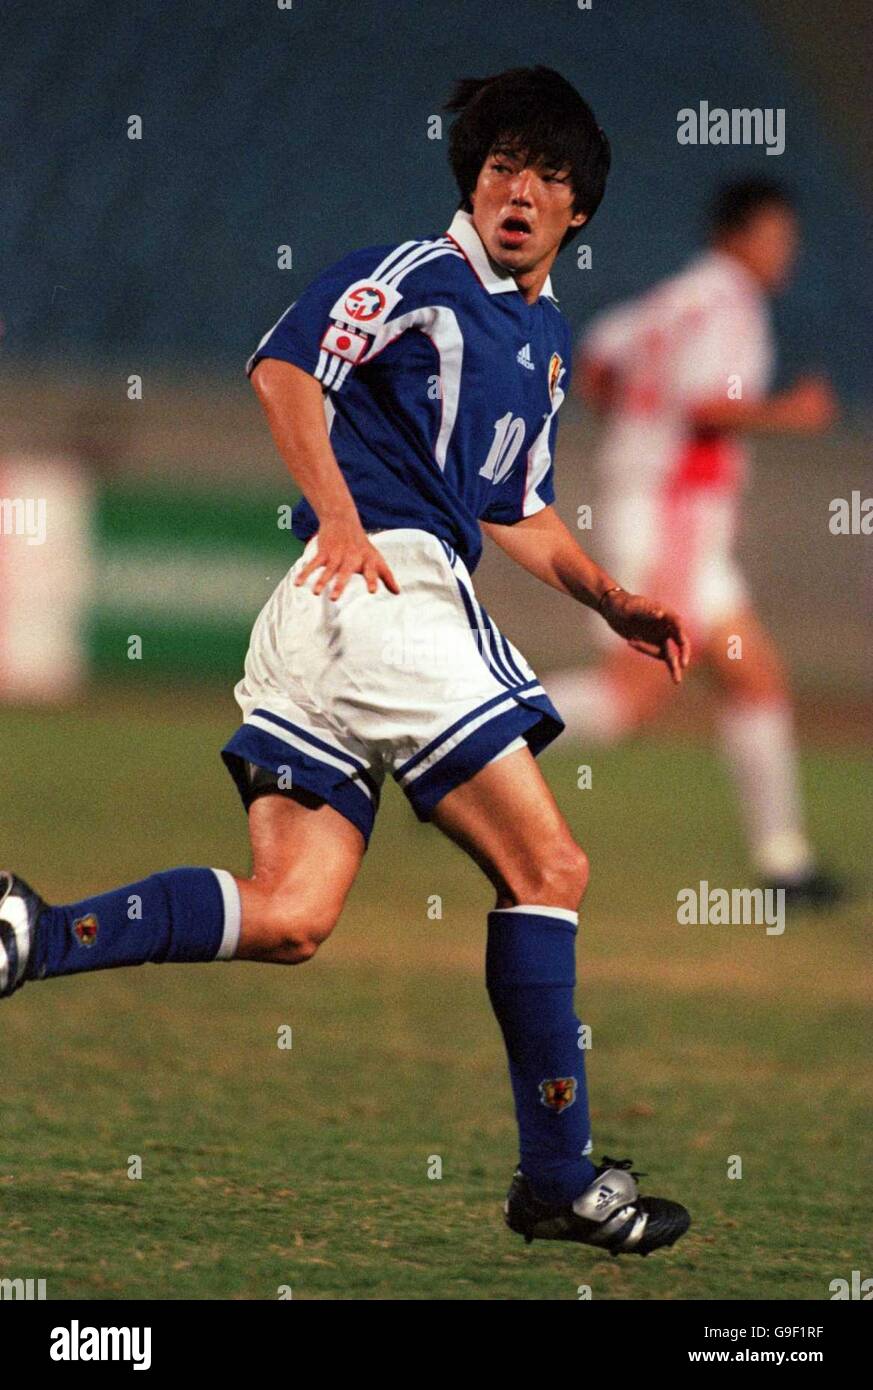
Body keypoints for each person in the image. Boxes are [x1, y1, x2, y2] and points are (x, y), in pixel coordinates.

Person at [1, 67, 691, 1255]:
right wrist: (333, 509)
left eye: (545, 173)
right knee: (552, 866)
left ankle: (29, 930)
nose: (516, 190)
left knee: (291, 915)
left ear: (581, 206)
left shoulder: (542, 340)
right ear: (470, 182)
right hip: (386, 592)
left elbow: (514, 506)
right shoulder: (420, 276)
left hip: (338, 613)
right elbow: (284, 368)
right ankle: (559, 1176)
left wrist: (611, 595)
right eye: (497, 167)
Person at [547, 179, 842, 905]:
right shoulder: (730, 303)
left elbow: (597, 358)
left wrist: (634, 430)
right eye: (776, 237)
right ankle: (459, 746)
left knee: (756, 680)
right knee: (630, 702)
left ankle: (783, 867)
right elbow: (704, 402)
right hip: (672, 519)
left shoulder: (670, 299)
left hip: (662, 512)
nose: (785, 253)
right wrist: (794, 414)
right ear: (737, 235)